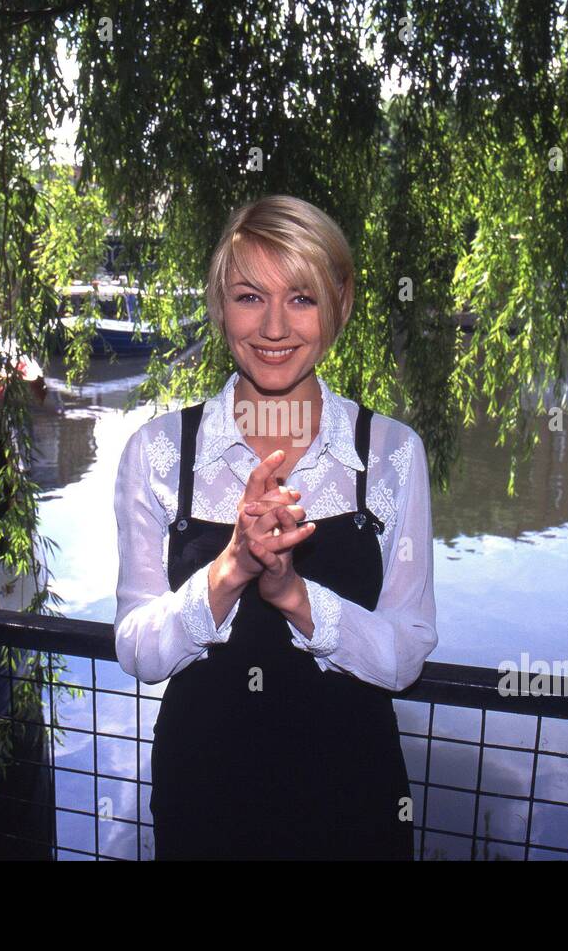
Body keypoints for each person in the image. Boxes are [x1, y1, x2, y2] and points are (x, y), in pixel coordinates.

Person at [113, 194, 438, 860]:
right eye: (248, 296)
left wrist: (295, 596)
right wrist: (231, 570)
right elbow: (138, 650)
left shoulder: (392, 453)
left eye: (302, 298)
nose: (273, 326)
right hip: (204, 803)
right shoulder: (158, 454)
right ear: (219, 305)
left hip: (355, 807)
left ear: (340, 303)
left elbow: (406, 653)